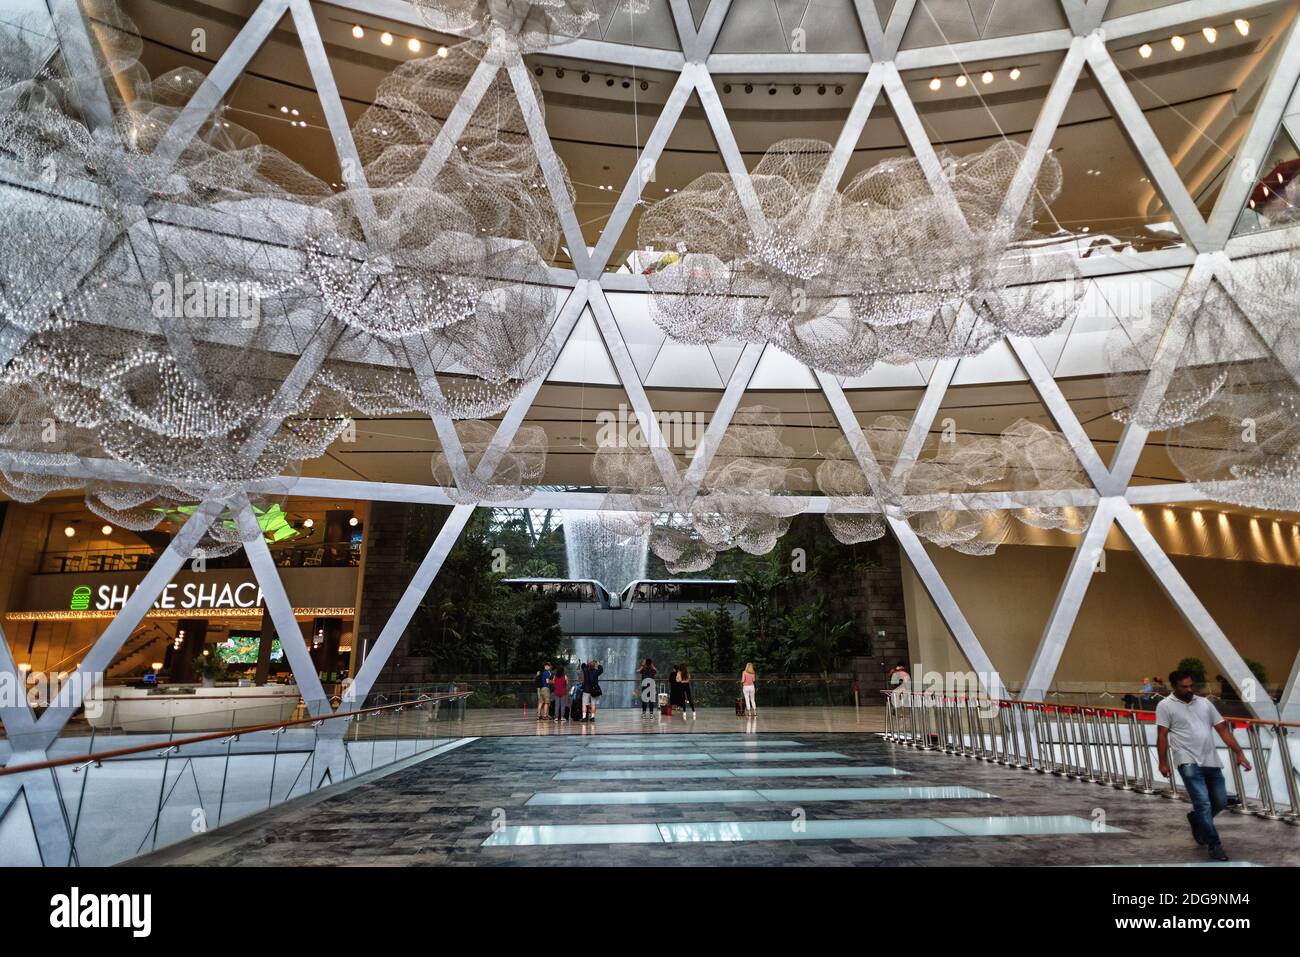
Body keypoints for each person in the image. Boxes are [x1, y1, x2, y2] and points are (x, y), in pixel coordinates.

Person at [1156, 669, 1252, 862]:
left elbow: (1222, 730)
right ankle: (1214, 845)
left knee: (1220, 802)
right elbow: (1162, 735)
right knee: (1203, 803)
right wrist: (1163, 762)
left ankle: (1196, 819)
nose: (1189, 690)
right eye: (1184, 687)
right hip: (1187, 760)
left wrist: (1239, 752)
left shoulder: (1205, 703)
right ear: (1174, 686)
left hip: (1210, 760)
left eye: (1191, 686)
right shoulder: (1165, 706)